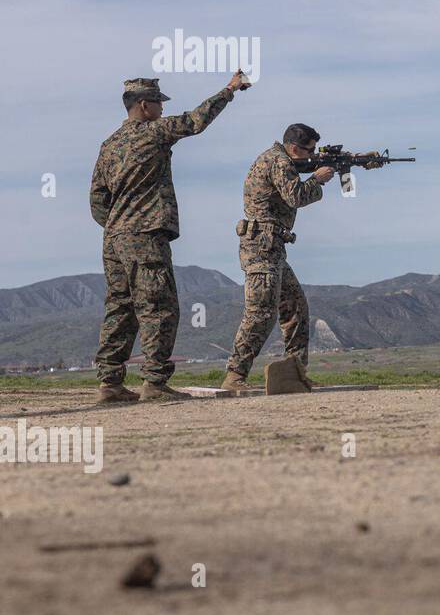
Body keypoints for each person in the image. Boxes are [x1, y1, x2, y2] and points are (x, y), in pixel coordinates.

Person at [91, 73, 250, 402]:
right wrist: (230, 90)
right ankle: (155, 383)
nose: (163, 109)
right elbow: (196, 121)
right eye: (159, 104)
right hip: (146, 236)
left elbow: (97, 199)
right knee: (159, 308)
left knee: (120, 309)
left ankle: (110, 382)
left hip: (113, 241)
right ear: (144, 106)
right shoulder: (153, 133)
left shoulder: (109, 145)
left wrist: (118, 225)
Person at [220, 124, 335, 394]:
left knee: (295, 306)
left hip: (272, 246)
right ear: (295, 148)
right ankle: (235, 374)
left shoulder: (279, 159)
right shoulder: (280, 162)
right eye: (309, 150)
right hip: (262, 245)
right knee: (260, 311)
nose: (312, 155)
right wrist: (317, 180)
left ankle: (295, 374)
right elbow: (295, 197)